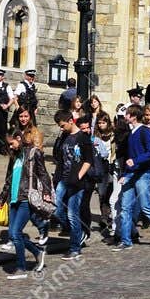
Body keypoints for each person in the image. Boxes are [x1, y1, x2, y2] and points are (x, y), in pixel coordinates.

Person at [0, 125, 53, 278]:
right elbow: (9, 179)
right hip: (14, 200)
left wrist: (47, 193)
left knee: (16, 233)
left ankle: (21, 268)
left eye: (11, 143)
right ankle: (37, 252)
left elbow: (43, 174)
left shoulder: (32, 153)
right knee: (13, 233)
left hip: (26, 199)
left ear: (18, 138)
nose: (10, 146)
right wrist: (2, 198)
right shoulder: (14, 157)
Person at [115, 106, 150, 250]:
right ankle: (126, 241)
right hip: (131, 174)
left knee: (145, 205)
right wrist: (125, 174)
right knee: (125, 207)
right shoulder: (130, 133)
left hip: (144, 174)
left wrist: (136, 160)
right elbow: (129, 157)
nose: (124, 117)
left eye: (127, 114)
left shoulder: (144, 131)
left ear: (133, 116)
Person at [51, 110, 94, 258]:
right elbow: (60, 159)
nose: (61, 128)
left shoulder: (83, 137)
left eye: (62, 125)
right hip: (63, 178)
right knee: (56, 210)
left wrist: (79, 175)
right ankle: (79, 232)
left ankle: (75, 248)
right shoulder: (64, 137)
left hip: (77, 181)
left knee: (72, 213)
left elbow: (89, 160)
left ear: (70, 121)